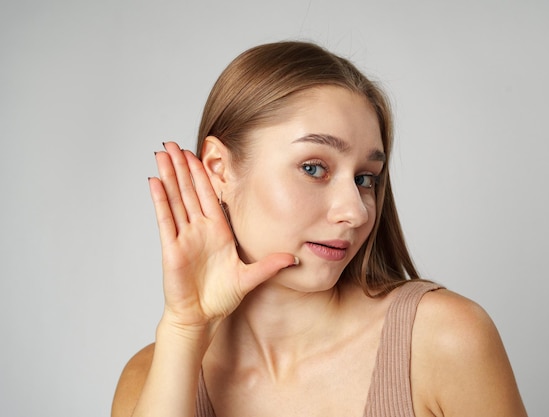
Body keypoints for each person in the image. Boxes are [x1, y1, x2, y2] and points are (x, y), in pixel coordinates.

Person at [111, 41, 527, 417]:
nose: (356, 212)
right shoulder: (150, 377)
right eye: (314, 168)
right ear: (220, 169)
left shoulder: (442, 340)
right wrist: (185, 328)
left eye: (366, 178)